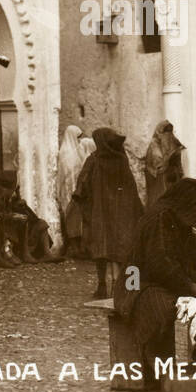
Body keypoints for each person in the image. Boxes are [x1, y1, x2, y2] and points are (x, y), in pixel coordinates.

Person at [114, 178, 196, 360]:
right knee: (168, 310)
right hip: (137, 287)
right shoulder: (159, 219)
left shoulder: (176, 219)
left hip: (159, 281)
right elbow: (161, 264)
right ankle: (162, 360)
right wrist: (191, 286)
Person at [70, 127, 143, 299]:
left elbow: (82, 186)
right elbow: (132, 188)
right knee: (120, 248)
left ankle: (102, 284)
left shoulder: (94, 160)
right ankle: (121, 287)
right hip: (122, 213)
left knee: (101, 247)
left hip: (100, 213)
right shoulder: (121, 160)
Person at [143, 120, 186, 209]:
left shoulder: (174, 143)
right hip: (158, 180)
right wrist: (167, 159)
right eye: (166, 132)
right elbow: (157, 164)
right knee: (159, 202)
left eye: (170, 131)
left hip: (172, 179)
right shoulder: (154, 145)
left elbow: (179, 164)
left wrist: (177, 171)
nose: (168, 135)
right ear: (159, 132)